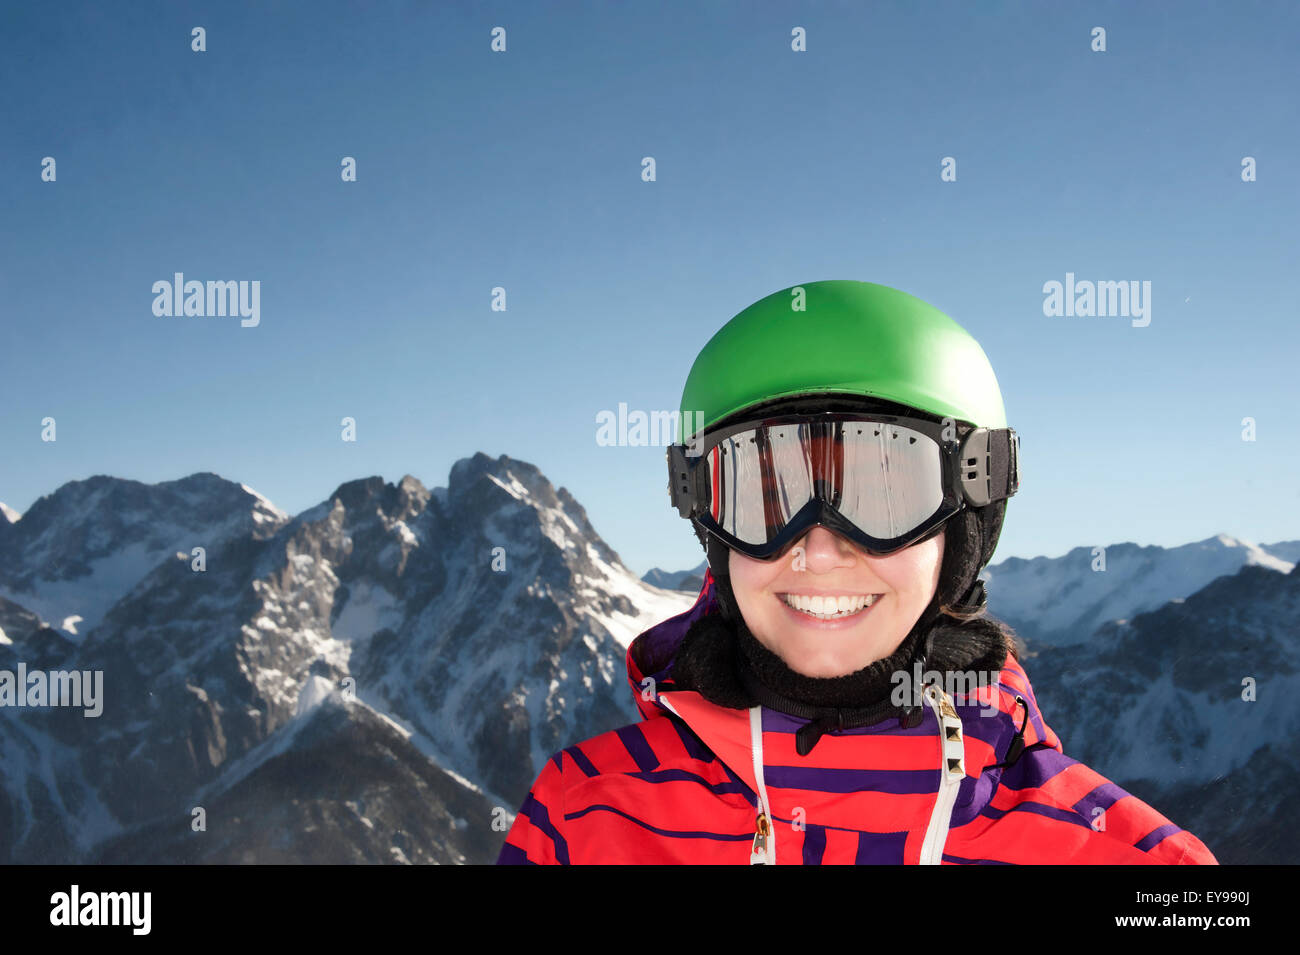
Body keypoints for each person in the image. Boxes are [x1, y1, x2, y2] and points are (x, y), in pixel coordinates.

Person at [497, 279, 1217, 864]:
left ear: (966, 520)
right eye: (767, 492)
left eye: (883, 491)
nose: (818, 546)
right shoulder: (583, 821)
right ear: (711, 521)